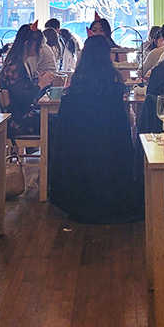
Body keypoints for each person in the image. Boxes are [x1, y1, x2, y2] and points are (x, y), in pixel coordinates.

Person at [49, 36, 142, 223]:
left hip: (80, 167)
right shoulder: (115, 90)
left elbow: (64, 138)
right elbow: (121, 134)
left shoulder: (74, 92)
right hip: (110, 162)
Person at [0, 24, 51, 136]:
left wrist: (38, 82)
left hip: (18, 117)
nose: (41, 49)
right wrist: (40, 85)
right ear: (28, 44)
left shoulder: (17, 62)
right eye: (40, 45)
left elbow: (22, 91)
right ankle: (48, 153)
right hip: (19, 122)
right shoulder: (16, 65)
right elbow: (24, 99)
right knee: (57, 122)